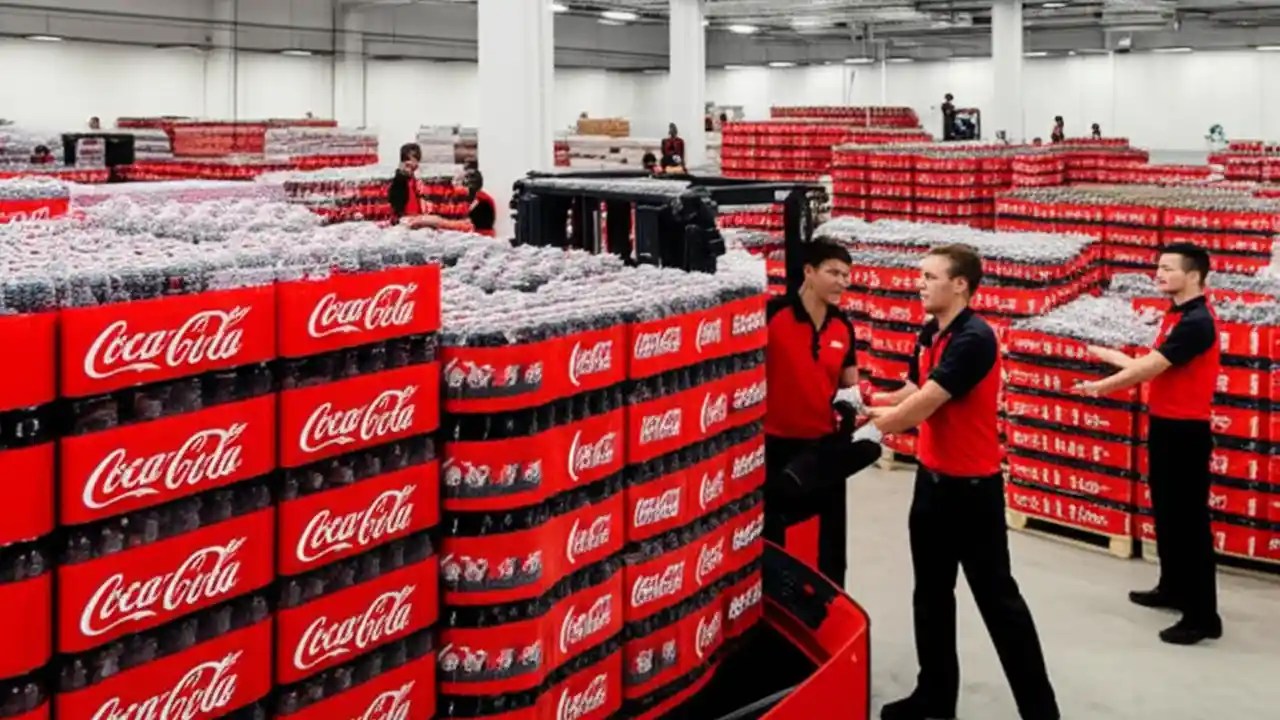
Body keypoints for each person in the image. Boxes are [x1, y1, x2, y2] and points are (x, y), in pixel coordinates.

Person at [865, 244, 1059, 720]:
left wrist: (873, 430)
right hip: (931, 486)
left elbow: (931, 400)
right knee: (930, 596)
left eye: (930, 276)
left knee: (999, 603)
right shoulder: (932, 331)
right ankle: (934, 695)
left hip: (973, 494)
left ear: (960, 285)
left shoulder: (975, 338)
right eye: (920, 275)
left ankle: (1041, 711)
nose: (920, 283)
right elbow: (914, 388)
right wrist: (870, 402)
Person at [1074, 243, 1221, 646]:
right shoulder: (1176, 316)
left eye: (1167, 268)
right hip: (1165, 426)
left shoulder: (1197, 323)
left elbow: (1150, 367)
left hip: (1186, 434)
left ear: (1193, 276)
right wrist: (1111, 356)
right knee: (1168, 514)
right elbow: (1156, 366)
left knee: (1189, 523)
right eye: (1158, 266)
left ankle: (1203, 615)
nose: (1158, 274)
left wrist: (1101, 386)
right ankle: (1172, 587)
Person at [763, 242, 861, 586]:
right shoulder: (772, 314)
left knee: (831, 548)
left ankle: (831, 609)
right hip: (774, 449)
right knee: (776, 540)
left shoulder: (843, 327)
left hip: (823, 452)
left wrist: (852, 408)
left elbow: (850, 384)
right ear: (808, 271)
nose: (842, 282)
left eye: (846, 275)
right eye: (833, 272)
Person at [407, 166, 497, 237]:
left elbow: (477, 231)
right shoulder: (459, 199)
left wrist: (439, 222)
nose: (453, 186)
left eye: (457, 182)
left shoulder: (483, 203)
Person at [388, 142, 423, 221]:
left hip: (418, 217)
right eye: (408, 161)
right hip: (404, 217)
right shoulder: (399, 180)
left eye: (416, 160)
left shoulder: (418, 179)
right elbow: (394, 200)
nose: (412, 164)